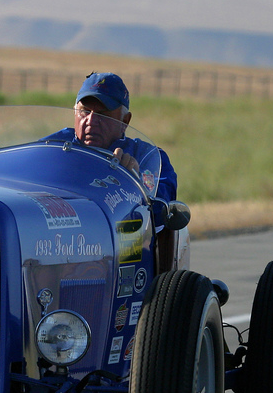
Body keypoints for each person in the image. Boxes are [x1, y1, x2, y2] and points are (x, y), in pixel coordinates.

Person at [46, 72, 181, 274]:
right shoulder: (53, 146)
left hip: (123, 259)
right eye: (84, 111)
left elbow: (163, 207)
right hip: (58, 249)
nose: (91, 120)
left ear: (125, 120)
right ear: (75, 111)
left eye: (102, 114)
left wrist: (134, 181)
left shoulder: (146, 156)